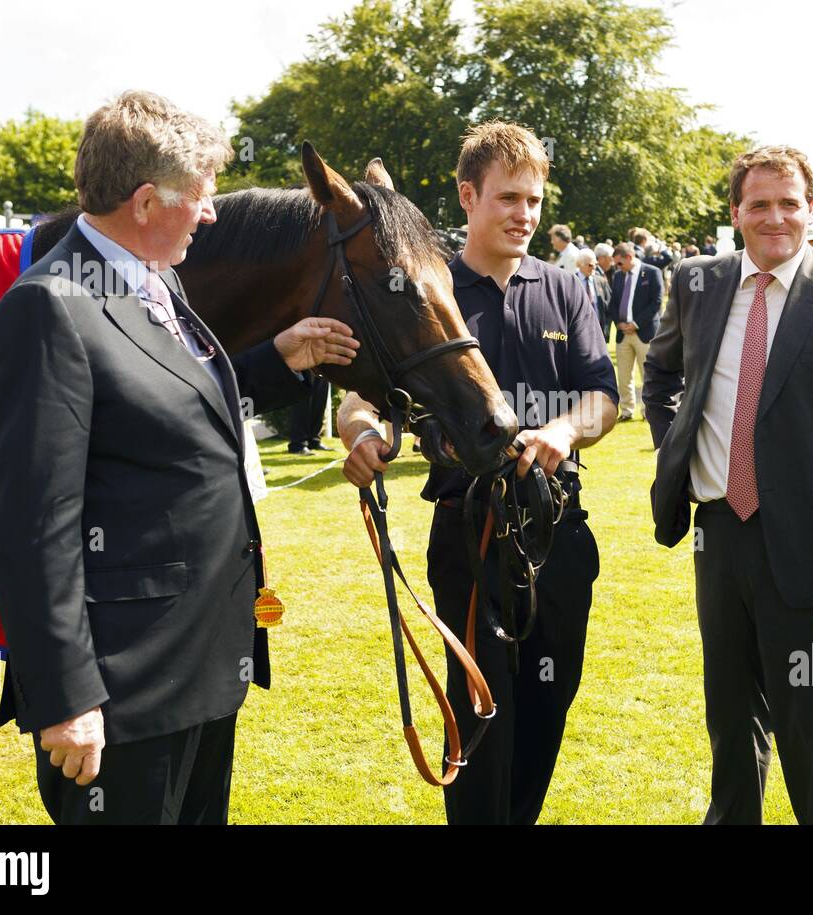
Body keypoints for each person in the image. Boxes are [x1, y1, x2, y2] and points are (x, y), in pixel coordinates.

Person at [0, 90, 360, 825]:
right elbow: (34, 523)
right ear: (147, 201)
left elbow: (164, 410)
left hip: (203, 666)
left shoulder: (160, 278)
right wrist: (65, 696)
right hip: (122, 688)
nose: (212, 213)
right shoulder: (50, 307)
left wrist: (273, 362)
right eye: (201, 197)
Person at [336, 121, 618, 825]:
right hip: (468, 536)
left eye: (534, 200)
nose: (525, 214)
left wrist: (562, 429)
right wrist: (364, 434)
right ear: (468, 196)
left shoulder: (566, 289)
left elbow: (604, 395)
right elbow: (359, 400)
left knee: (548, 712)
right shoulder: (427, 286)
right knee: (480, 716)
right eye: (508, 198)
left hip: (558, 532)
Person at [645, 145, 813, 825]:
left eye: (790, 203)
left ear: (812, 211)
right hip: (718, 534)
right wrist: (677, 443)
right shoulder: (696, 281)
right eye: (760, 203)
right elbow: (661, 376)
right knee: (728, 717)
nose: (775, 216)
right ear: (735, 212)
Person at [609, 241, 663, 420]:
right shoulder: (618, 276)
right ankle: (626, 411)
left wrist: (636, 324)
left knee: (647, 375)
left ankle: (647, 411)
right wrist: (619, 323)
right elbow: (613, 303)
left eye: (619, 262)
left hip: (644, 333)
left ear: (630, 257)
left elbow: (656, 302)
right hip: (623, 334)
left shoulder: (652, 272)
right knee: (624, 376)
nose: (617, 266)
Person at [286, 377, 332, 454]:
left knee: (320, 396)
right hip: (303, 367)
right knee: (302, 401)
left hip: (322, 366)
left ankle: (314, 441)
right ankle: (297, 445)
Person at [577, 246, 612, 341]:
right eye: (590, 265)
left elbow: (610, 305)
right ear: (579, 264)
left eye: (595, 264)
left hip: (599, 331)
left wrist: (606, 328)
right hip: (578, 332)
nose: (594, 267)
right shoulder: (571, 281)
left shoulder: (601, 281)